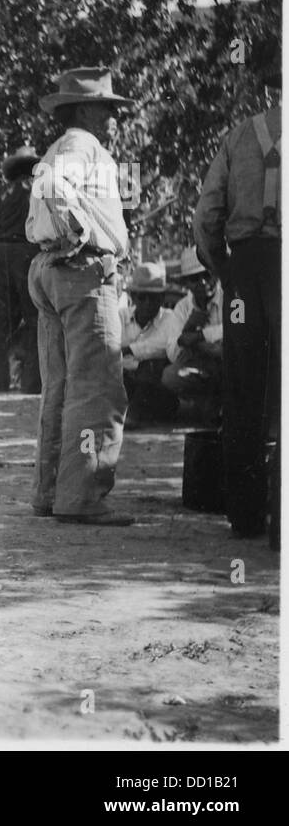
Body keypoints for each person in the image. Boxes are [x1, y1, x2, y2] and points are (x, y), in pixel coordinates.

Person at [26, 66, 134, 526]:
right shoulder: (81, 145)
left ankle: (51, 491)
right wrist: (80, 234)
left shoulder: (60, 147)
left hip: (55, 270)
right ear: (87, 110)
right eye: (108, 110)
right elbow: (52, 189)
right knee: (97, 389)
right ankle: (82, 496)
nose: (114, 119)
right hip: (83, 272)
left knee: (63, 387)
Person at [193, 52, 280, 544]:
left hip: (245, 269)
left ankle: (245, 516)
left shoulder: (239, 136)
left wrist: (223, 269)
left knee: (243, 391)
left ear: (267, 89)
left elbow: (207, 213)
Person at [0, 146, 42, 393]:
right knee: (36, 322)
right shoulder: (41, 192)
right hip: (32, 255)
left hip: (0, 255)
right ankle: (32, 385)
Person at [161, 246, 222, 422]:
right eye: (195, 279)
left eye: (206, 275)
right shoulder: (182, 308)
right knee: (171, 375)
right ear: (186, 283)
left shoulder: (233, 297)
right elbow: (173, 352)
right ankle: (208, 403)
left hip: (228, 365)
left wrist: (199, 336)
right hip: (202, 368)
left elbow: (237, 330)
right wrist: (189, 326)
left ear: (215, 274)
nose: (202, 283)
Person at [119, 263, 182, 427]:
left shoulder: (170, 318)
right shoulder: (120, 317)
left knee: (152, 366)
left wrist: (129, 350)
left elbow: (166, 346)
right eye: (142, 297)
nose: (147, 303)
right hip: (125, 383)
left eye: (153, 298)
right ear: (133, 296)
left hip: (154, 387)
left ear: (162, 298)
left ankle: (132, 415)